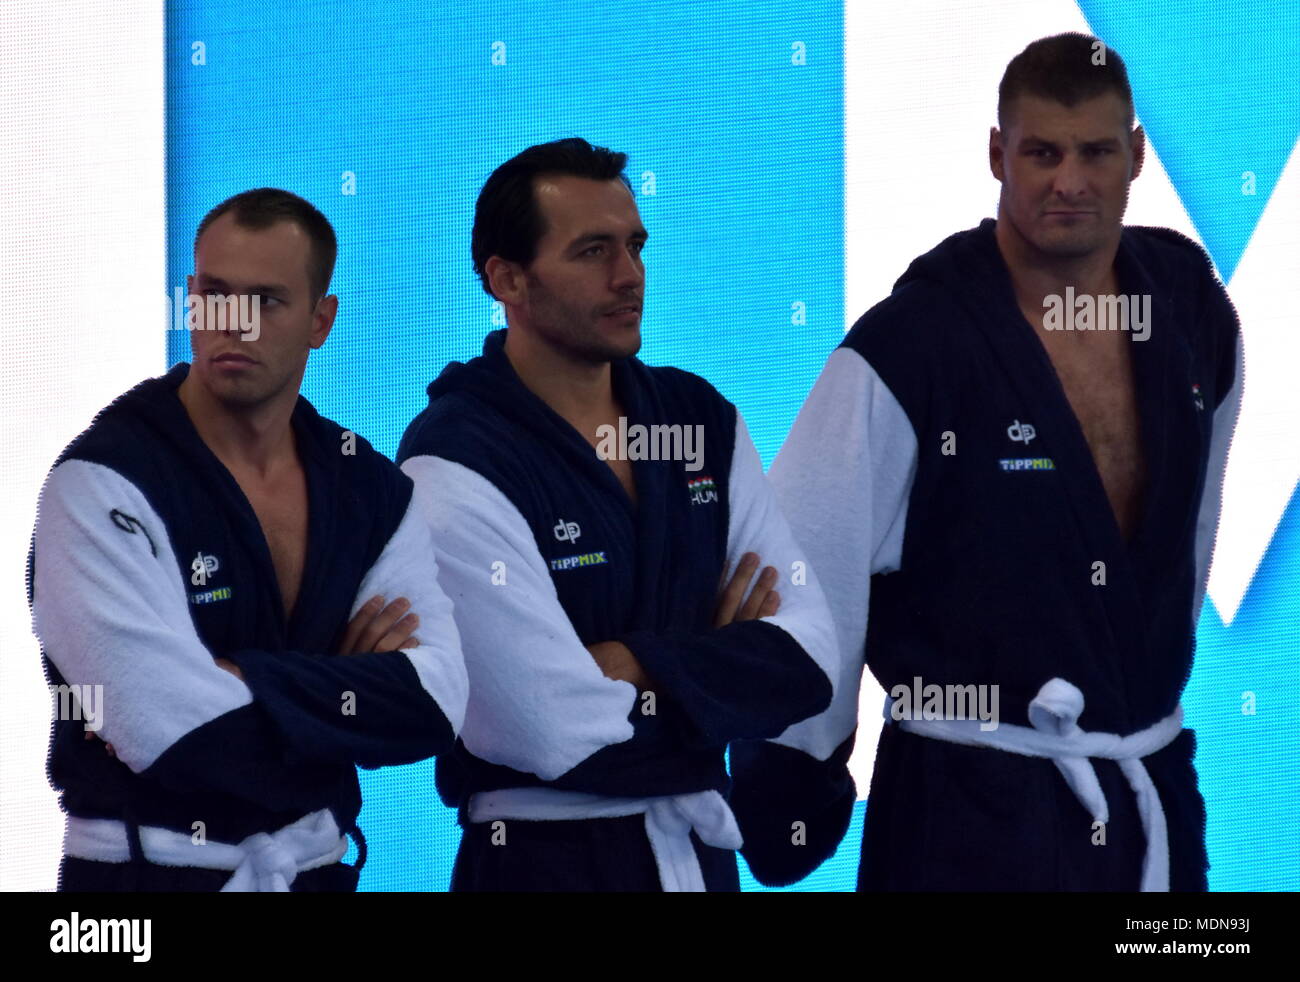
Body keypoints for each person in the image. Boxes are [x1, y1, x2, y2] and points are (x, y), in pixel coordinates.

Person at [730, 33, 1242, 891]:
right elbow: (810, 568)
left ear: (1137, 156)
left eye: (1096, 152)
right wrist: (788, 793)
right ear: (997, 153)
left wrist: (1140, 689)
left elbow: (1192, 535)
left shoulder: (1189, 305)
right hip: (965, 815)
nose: (1069, 182)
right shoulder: (908, 348)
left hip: (1148, 795)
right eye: (1041, 152)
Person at [396, 138, 839, 891]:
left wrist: (632, 663)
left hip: (700, 860)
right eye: (592, 251)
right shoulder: (453, 460)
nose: (628, 275)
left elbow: (814, 660)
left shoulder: (698, 421)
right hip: (541, 864)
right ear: (507, 279)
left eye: (634, 245)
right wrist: (716, 664)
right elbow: (550, 725)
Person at [29, 188, 468, 892]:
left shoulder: (368, 488)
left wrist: (242, 678)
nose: (233, 323)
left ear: (321, 320)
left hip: (314, 873)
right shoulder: (100, 482)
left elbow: (438, 702)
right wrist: (343, 691)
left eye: (266, 301)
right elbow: (169, 731)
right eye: (215, 295)